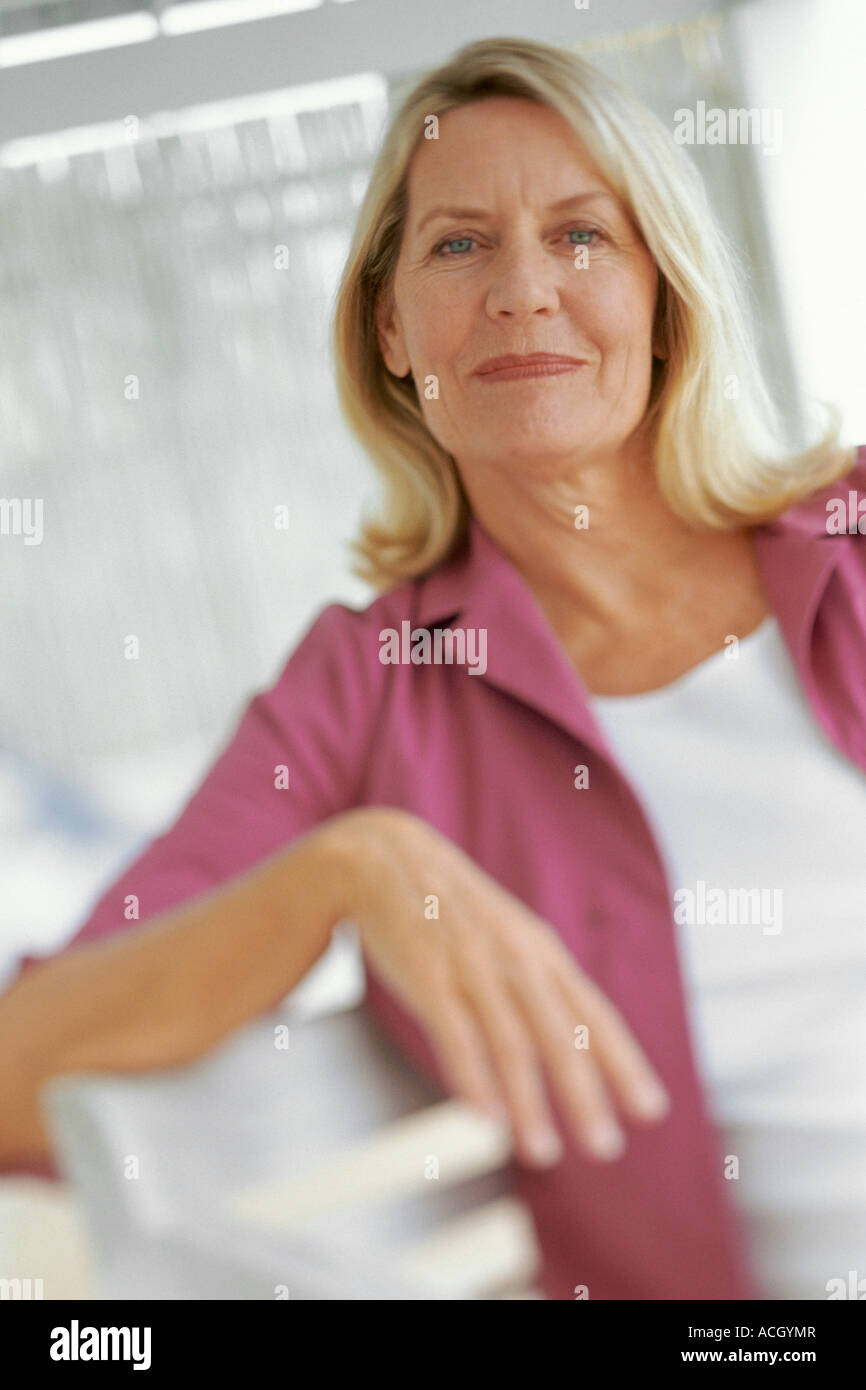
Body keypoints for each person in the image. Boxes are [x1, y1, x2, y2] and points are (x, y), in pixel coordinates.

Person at [1, 36, 863, 1302]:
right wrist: (348, 870)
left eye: (581, 235)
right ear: (392, 327)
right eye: (458, 244)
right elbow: (23, 1065)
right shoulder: (366, 689)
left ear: (661, 293)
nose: (523, 288)